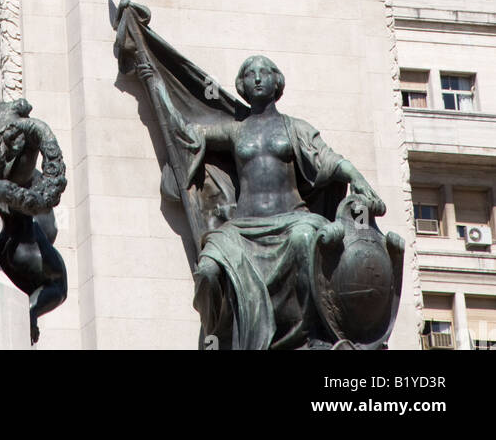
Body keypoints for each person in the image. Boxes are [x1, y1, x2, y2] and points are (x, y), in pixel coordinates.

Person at [139, 52, 384, 350]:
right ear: (241, 85)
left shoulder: (295, 127)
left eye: (264, 72)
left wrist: (358, 178)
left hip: (293, 218)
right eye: (249, 73)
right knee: (207, 271)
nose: (256, 77)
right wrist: (154, 80)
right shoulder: (236, 129)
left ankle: (309, 334)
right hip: (243, 229)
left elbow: (328, 159)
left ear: (277, 82)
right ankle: (219, 337)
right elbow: (187, 132)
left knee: (307, 239)